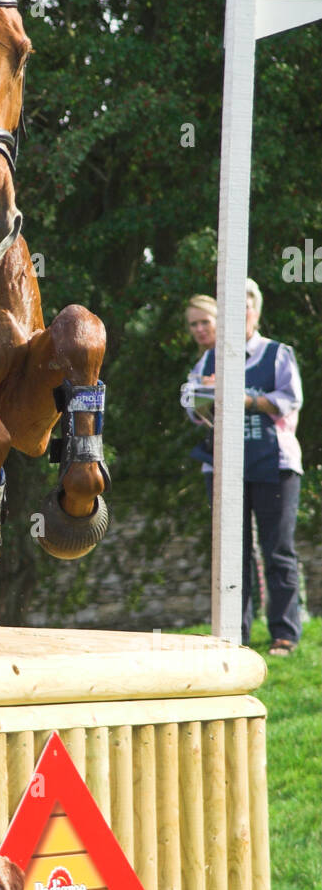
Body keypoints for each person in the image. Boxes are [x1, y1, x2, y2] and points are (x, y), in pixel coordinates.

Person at [184, 280, 304, 655]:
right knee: (232, 553)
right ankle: (237, 636)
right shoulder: (208, 360)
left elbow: (290, 399)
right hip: (222, 466)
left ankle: (284, 634)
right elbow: (189, 407)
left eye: (246, 309)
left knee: (278, 550)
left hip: (276, 462)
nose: (240, 317)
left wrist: (247, 399)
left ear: (257, 312)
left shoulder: (277, 353)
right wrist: (203, 394)